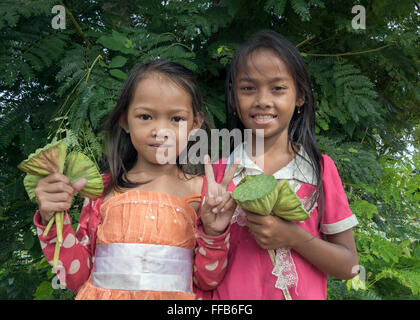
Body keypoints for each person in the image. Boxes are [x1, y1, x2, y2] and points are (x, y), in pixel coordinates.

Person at [33, 60, 238, 300]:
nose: (160, 130)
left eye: (176, 119)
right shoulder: (104, 189)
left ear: (195, 124)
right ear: (124, 120)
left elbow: (207, 280)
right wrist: (52, 217)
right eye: (145, 116)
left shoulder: (205, 194)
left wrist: (214, 232)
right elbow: (76, 277)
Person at [193, 30, 360, 300]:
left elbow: (350, 266)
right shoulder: (217, 176)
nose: (262, 100)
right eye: (248, 88)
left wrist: (294, 237)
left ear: (300, 96)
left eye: (278, 88)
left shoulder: (320, 170)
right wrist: (214, 231)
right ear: (234, 99)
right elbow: (201, 276)